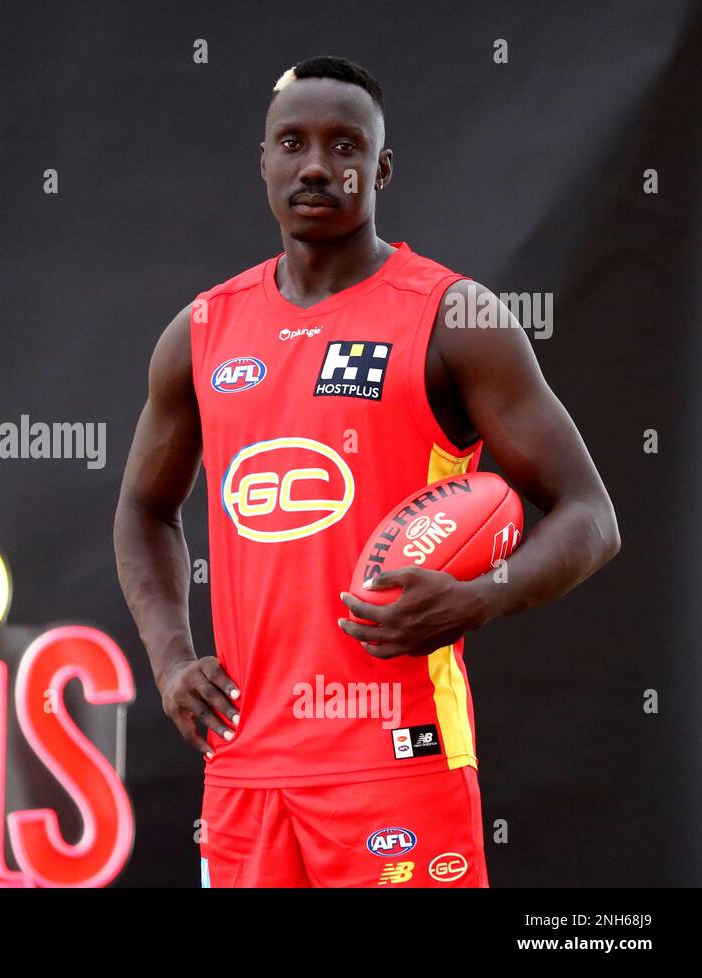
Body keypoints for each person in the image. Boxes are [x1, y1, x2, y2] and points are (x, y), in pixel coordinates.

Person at [113, 56, 620, 887]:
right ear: (265, 161)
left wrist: (485, 593)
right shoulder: (202, 329)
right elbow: (142, 510)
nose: (317, 164)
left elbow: (589, 515)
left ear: (380, 168)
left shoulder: (454, 315)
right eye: (293, 143)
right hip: (244, 772)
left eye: (344, 144)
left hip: (399, 759)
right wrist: (172, 660)